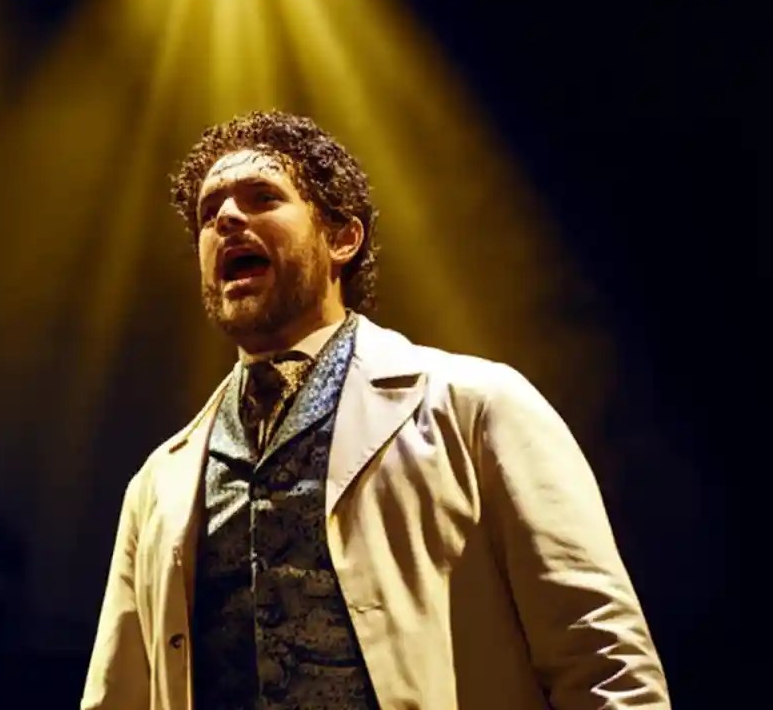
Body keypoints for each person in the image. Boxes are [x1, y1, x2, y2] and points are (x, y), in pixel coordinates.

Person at [80, 110, 669, 709]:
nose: (227, 218)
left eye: (262, 198)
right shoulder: (159, 484)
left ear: (342, 239)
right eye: (210, 213)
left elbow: (604, 658)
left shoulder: (478, 406)